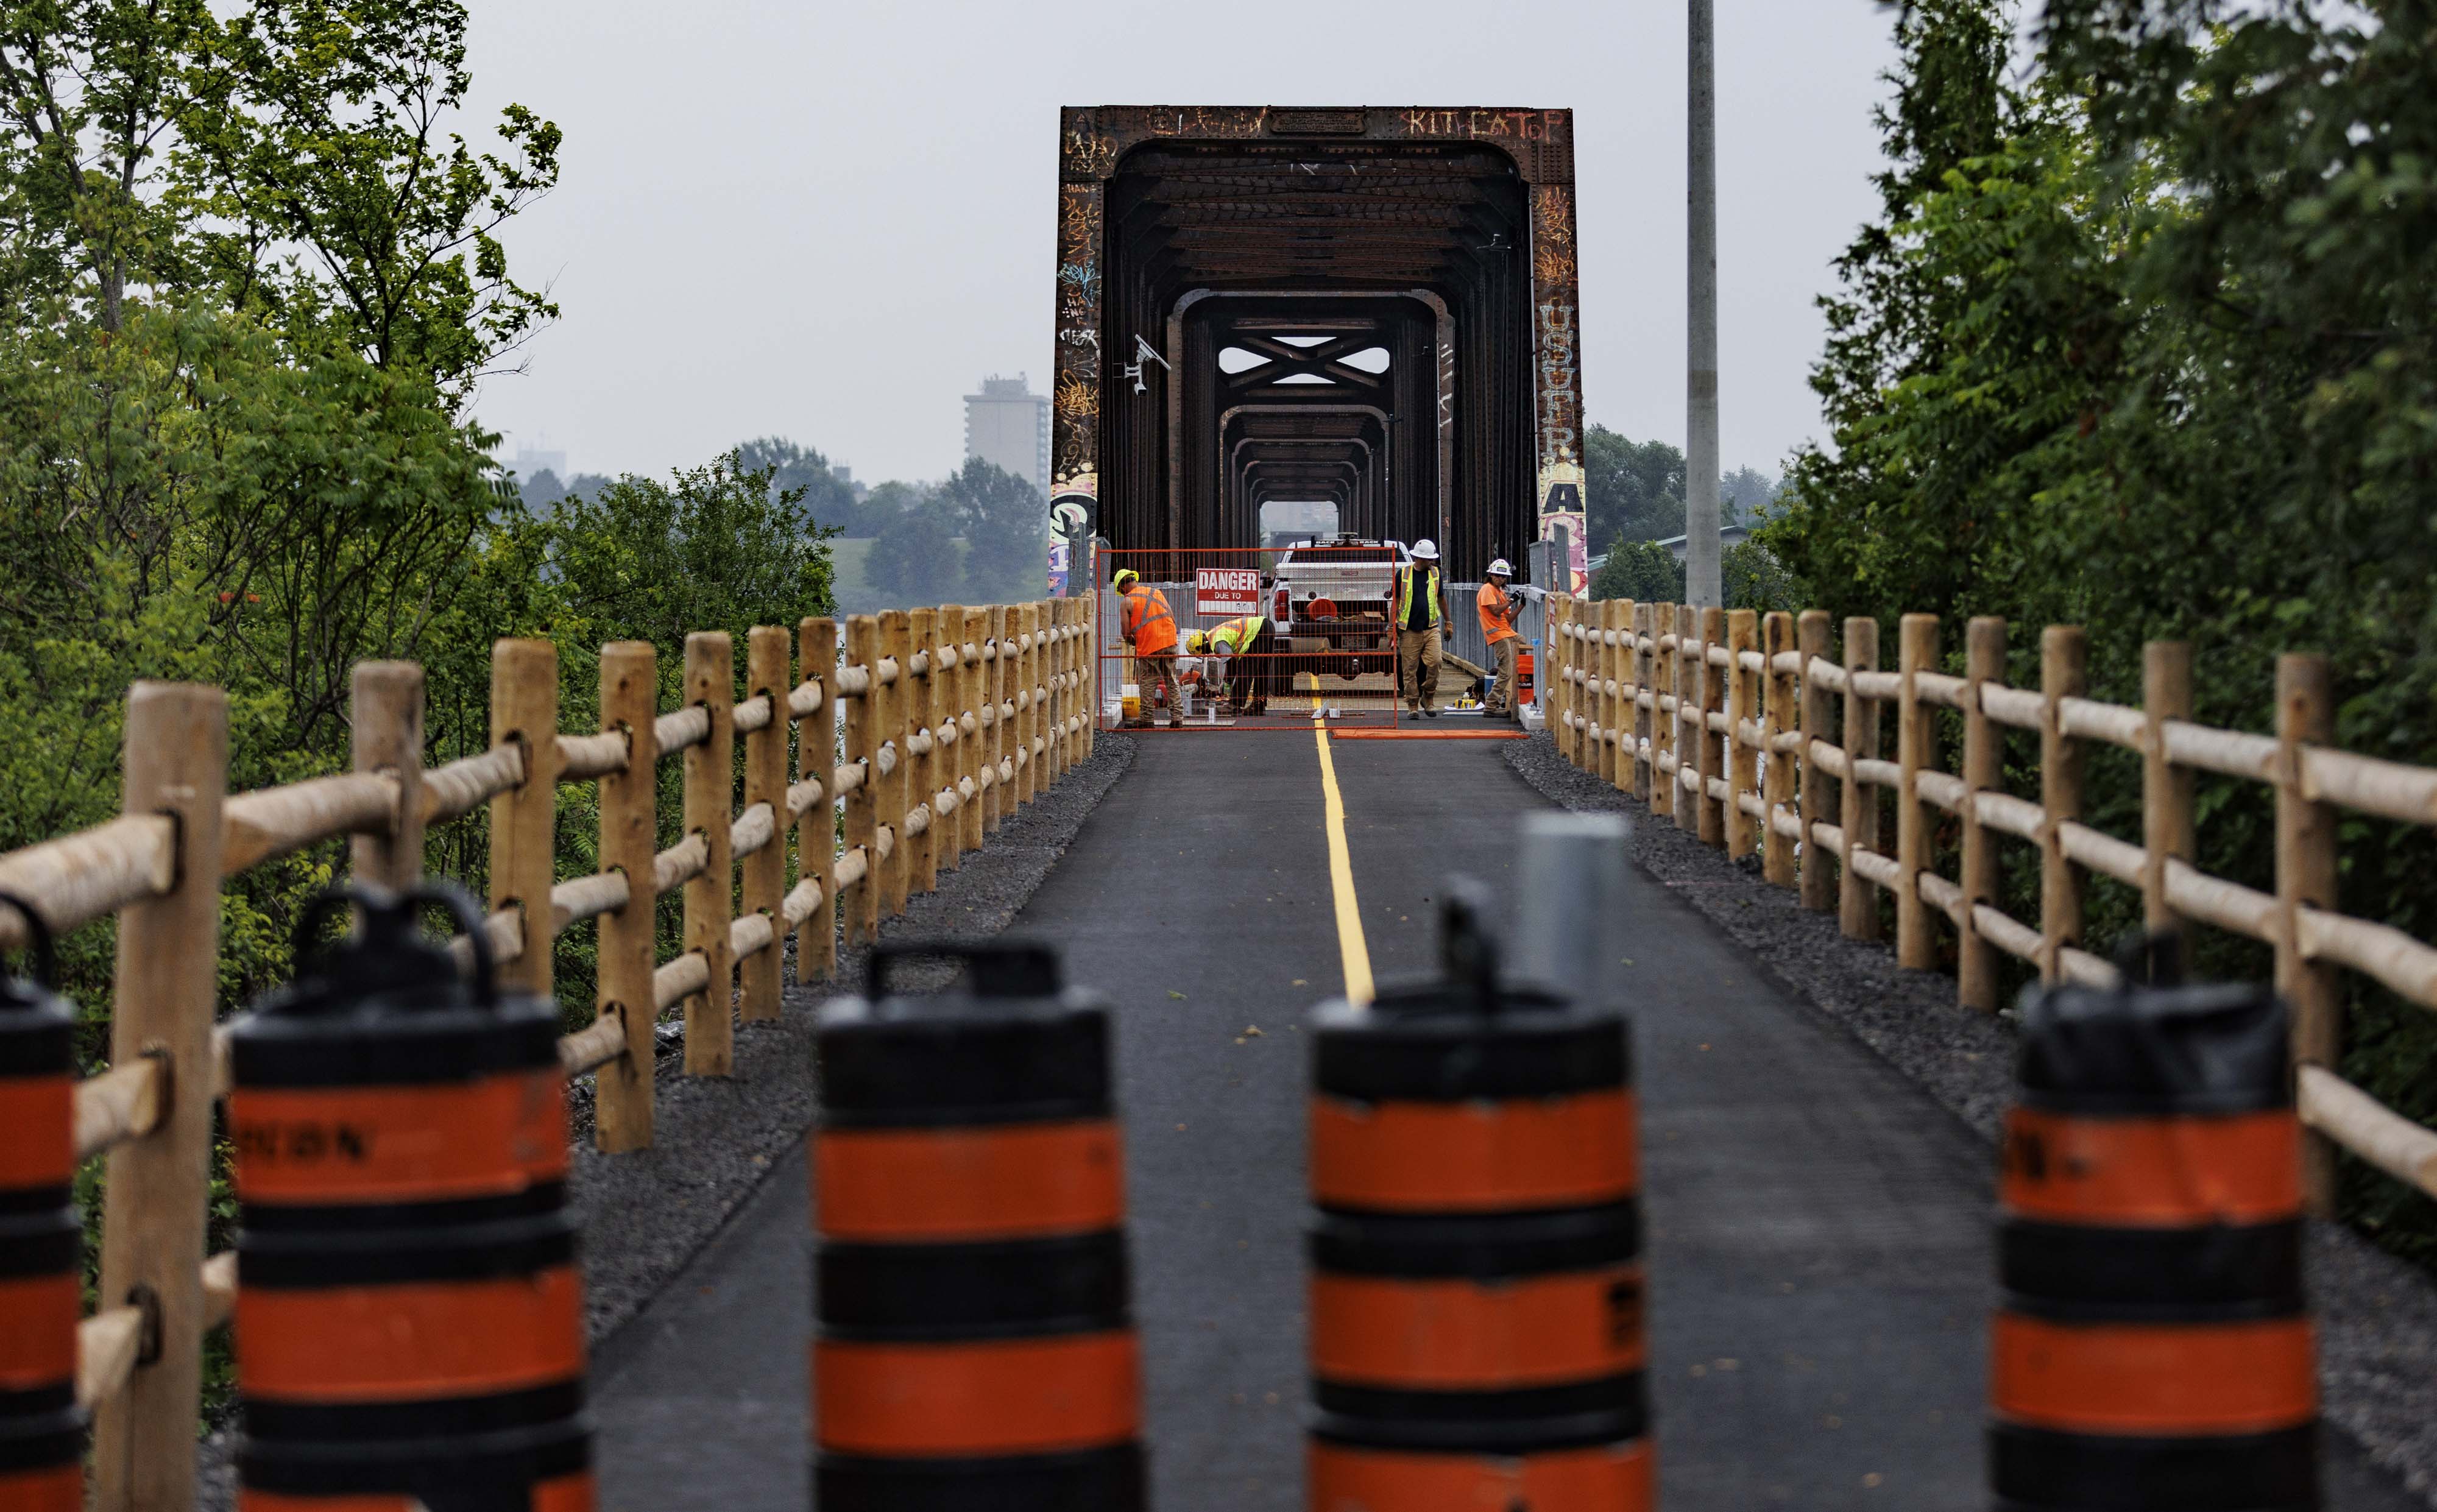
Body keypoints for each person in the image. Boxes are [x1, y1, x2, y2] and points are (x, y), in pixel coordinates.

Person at [1114, 567, 1183, 729]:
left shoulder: (1127, 601)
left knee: (1147, 682)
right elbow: (1171, 615)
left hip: (1149, 645)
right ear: (1134, 580)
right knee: (1172, 680)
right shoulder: (1156, 592)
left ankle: (1146, 719)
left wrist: (1134, 642)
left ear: (1122, 587)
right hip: (1170, 640)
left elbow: (1125, 632)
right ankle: (1177, 718)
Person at [1389, 539, 1448, 718]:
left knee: (1436, 662)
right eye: (1428, 559)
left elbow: (1441, 599)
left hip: (1431, 627)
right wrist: (1392, 626)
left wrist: (1449, 622)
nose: (1431, 562)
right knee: (1410, 669)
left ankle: (1428, 697)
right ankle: (1413, 705)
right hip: (1409, 630)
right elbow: (1396, 601)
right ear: (1419, 559)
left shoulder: (1436, 574)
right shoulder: (1404, 574)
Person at [1197, 613, 1281, 715]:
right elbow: (1231, 660)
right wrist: (1227, 681)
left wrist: (1227, 683)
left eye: (1204, 652)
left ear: (1202, 644)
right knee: (1262, 671)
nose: (1207, 653)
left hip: (1256, 631)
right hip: (1267, 626)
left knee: (1246, 668)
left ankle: (1235, 705)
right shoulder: (1216, 633)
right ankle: (1259, 706)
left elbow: (1231, 661)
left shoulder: (1216, 639)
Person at [1477, 558, 1523, 720]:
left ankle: (1522, 695)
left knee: (1527, 647)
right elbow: (1496, 611)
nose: (1501, 579)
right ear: (1491, 575)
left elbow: (1508, 619)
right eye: (1497, 576)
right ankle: (1491, 706)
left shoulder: (1500, 592)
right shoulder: (1487, 589)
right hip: (1497, 635)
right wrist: (1512, 599)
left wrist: (1521, 605)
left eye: (1504, 577)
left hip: (1507, 632)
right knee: (1506, 670)